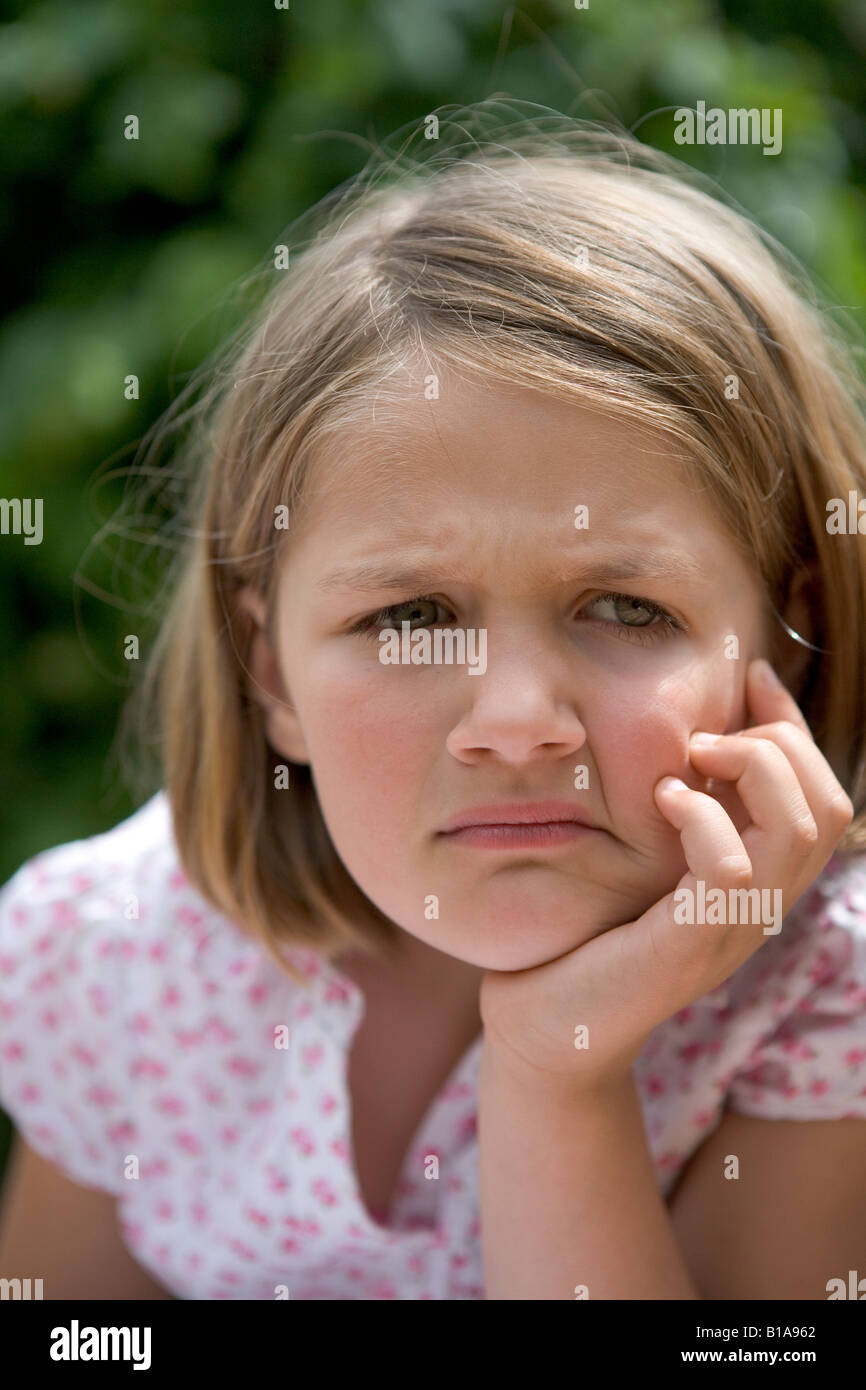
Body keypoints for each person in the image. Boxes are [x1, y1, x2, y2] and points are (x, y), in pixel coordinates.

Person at [1, 108, 865, 1300]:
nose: (515, 720)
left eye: (622, 607)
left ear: (788, 634)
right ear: (271, 676)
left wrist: (556, 1073)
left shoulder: (821, 991)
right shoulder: (117, 965)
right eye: (405, 621)